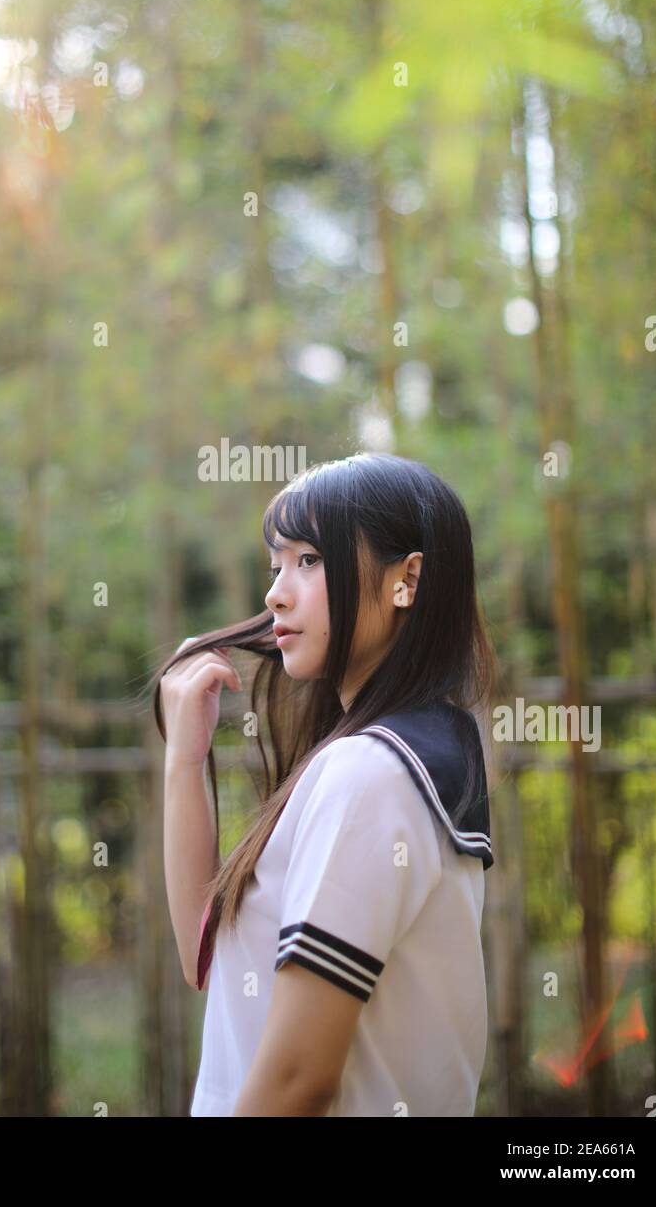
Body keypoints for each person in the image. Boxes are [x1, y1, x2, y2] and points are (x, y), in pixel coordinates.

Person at [153, 452, 497, 1117]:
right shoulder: (397, 757)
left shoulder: (371, 773)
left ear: (408, 580)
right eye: (276, 565)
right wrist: (184, 762)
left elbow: (296, 1082)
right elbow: (208, 960)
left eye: (309, 560)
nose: (276, 593)